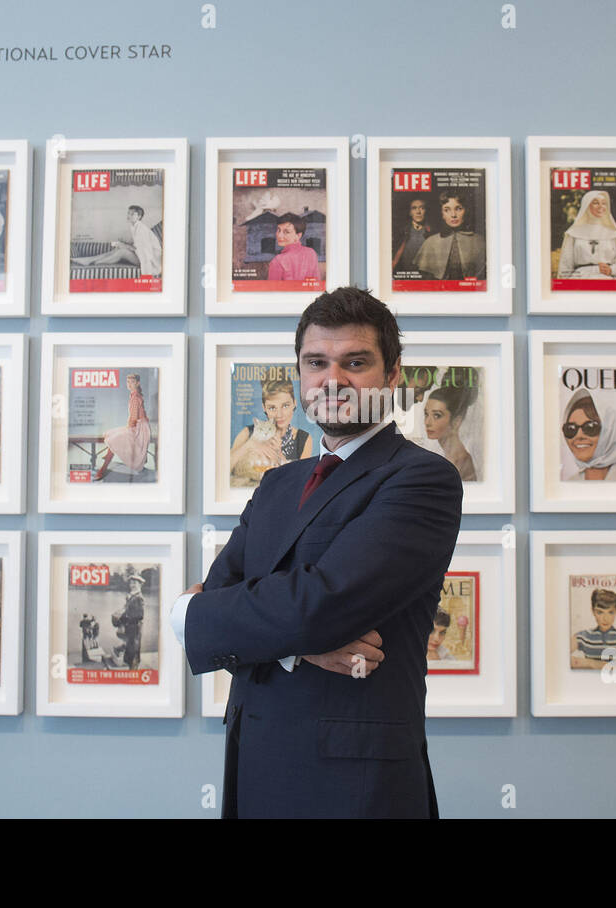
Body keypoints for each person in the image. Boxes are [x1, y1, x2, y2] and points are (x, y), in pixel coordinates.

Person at [171, 286, 463, 818]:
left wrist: (199, 615)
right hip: (256, 766)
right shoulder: (278, 483)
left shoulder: (422, 478)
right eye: (316, 362)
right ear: (300, 373)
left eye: (355, 362)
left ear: (393, 375)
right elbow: (219, 596)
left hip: (355, 785)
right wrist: (296, 646)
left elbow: (320, 604)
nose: (333, 380)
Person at [228, 379, 313, 482]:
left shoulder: (303, 439)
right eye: (272, 408)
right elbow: (224, 469)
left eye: (285, 405)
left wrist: (279, 455)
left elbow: (301, 479)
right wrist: (250, 444)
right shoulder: (248, 432)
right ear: (264, 408)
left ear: (294, 403)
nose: (279, 414)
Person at [558, 388, 616, 481]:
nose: (579, 435)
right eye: (571, 428)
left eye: (590, 427)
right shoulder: (570, 484)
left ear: (610, 433)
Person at [557, 190, 616, 282]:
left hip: (606, 280)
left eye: (604, 203)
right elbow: (565, 266)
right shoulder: (573, 233)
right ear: (586, 206)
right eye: (595, 203)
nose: (601, 207)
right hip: (579, 280)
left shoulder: (613, 234)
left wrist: (611, 270)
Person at [413, 191, 486, 281]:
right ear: (442, 214)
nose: (453, 215)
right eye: (447, 210)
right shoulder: (431, 242)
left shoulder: (480, 241)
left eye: (458, 209)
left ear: (466, 210)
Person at [71, 204, 162, 276]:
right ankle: (88, 260)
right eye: (128, 213)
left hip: (151, 262)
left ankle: (94, 263)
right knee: (119, 248)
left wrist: (124, 246)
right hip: (141, 255)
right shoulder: (135, 227)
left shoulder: (141, 229)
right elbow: (136, 246)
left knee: (122, 252)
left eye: (132, 214)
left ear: (139, 216)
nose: (129, 215)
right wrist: (123, 244)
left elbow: (144, 251)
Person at [95, 373, 152, 481]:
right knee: (113, 434)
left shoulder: (135, 397)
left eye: (132, 382)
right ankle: (108, 456)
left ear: (137, 383)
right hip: (139, 425)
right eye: (128, 382)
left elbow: (134, 417)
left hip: (140, 429)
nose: (129, 384)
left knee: (116, 438)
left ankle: (104, 466)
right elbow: (135, 417)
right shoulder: (134, 395)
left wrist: (128, 428)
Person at [570, 588, 616, 670]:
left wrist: (590, 663)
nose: (605, 618)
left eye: (611, 612)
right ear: (593, 611)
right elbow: (557, 656)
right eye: (600, 612)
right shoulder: (583, 637)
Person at [423, 384, 477, 482]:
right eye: (426, 414)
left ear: (456, 422)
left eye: (437, 415)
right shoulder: (444, 457)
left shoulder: (461, 463)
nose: (427, 422)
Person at [265, 213, 320, 283]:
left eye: (286, 232)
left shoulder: (277, 261)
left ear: (298, 236)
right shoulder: (311, 253)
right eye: (278, 230)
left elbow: (272, 291)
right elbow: (316, 285)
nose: (279, 235)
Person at [392, 197, 432, 274]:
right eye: (414, 208)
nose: (418, 212)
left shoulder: (432, 232)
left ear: (426, 211)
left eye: (422, 208)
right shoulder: (401, 232)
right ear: (410, 212)